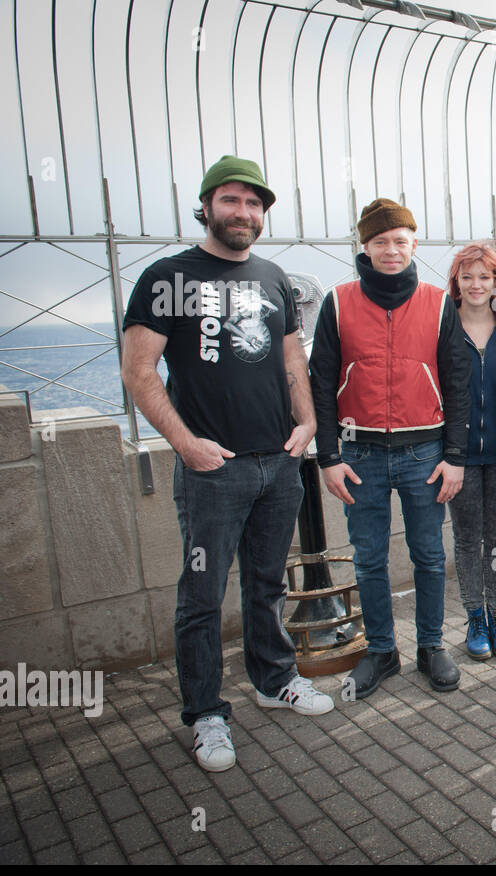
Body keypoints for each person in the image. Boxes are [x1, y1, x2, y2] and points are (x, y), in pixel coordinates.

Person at [121, 155, 333, 773]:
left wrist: (309, 422)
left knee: (266, 584)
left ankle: (274, 680)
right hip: (215, 468)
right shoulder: (168, 277)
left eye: (255, 204)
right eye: (232, 200)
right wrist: (186, 445)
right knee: (203, 596)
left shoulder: (272, 276)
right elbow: (139, 371)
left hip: (279, 464)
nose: (244, 213)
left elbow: (292, 359)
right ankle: (206, 714)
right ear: (208, 204)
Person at [308, 198, 469, 699]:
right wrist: (328, 457)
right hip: (359, 457)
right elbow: (321, 383)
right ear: (365, 247)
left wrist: (456, 456)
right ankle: (381, 651)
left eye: (401, 241)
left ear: (414, 243)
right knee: (369, 559)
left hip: (426, 451)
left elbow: (458, 381)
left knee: (428, 555)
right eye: (381, 242)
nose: (391, 250)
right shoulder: (338, 301)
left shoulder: (438, 301)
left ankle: (430, 646)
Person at [444, 241, 496, 662]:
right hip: (459, 455)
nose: (476, 284)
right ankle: (474, 617)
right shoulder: (443, 327)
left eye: (484, 276)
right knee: (467, 538)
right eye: (467, 276)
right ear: (456, 281)